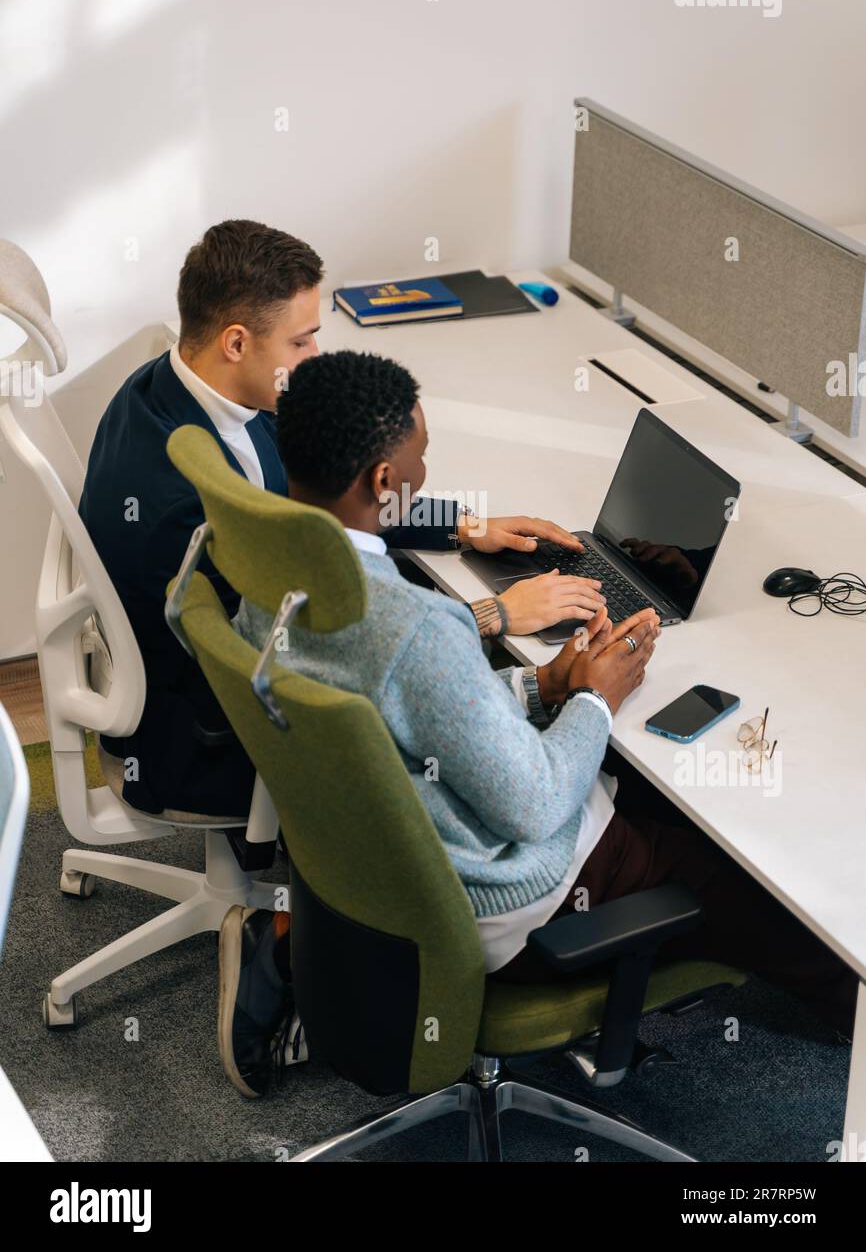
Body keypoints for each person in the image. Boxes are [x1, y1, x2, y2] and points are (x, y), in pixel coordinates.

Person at [220, 349, 858, 1098]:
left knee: (651, 779)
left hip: (382, 865)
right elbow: (534, 804)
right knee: (771, 888)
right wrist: (594, 700)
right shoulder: (416, 626)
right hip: (506, 894)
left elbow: (407, 715)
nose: (427, 472)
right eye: (421, 459)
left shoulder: (264, 572)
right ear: (385, 483)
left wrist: (539, 683)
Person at [79, 220, 605, 817]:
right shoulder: (177, 501)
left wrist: (461, 525)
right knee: (484, 767)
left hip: (210, 674)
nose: (314, 358)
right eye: (301, 342)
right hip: (204, 737)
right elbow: (304, 654)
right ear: (235, 343)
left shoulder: (181, 389)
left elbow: (322, 490)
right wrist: (493, 614)